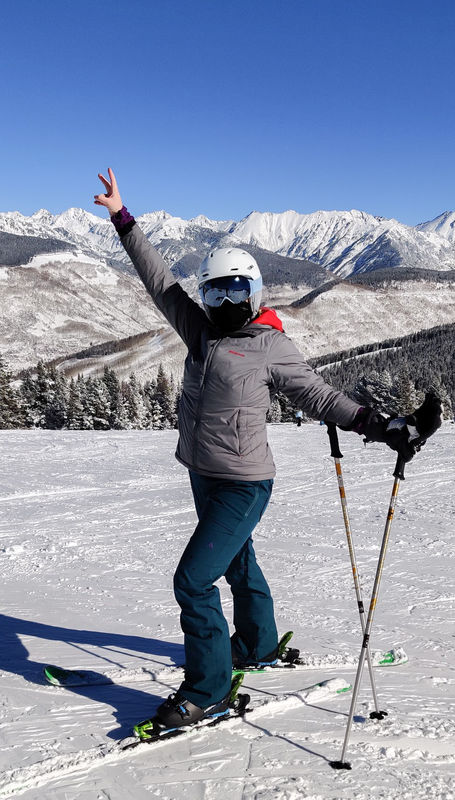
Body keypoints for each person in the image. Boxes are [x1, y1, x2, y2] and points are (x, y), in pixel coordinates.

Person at [94, 168, 442, 731]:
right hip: (202, 474)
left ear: (254, 294)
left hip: (244, 483)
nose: (225, 300)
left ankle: (209, 691)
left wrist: (384, 428)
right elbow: (160, 281)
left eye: (236, 290)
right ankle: (255, 645)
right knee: (236, 561)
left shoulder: (269, 345)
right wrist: (123, 219)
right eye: (216, 291)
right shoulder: (200, 331)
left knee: (192, 581)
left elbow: (320, 396)